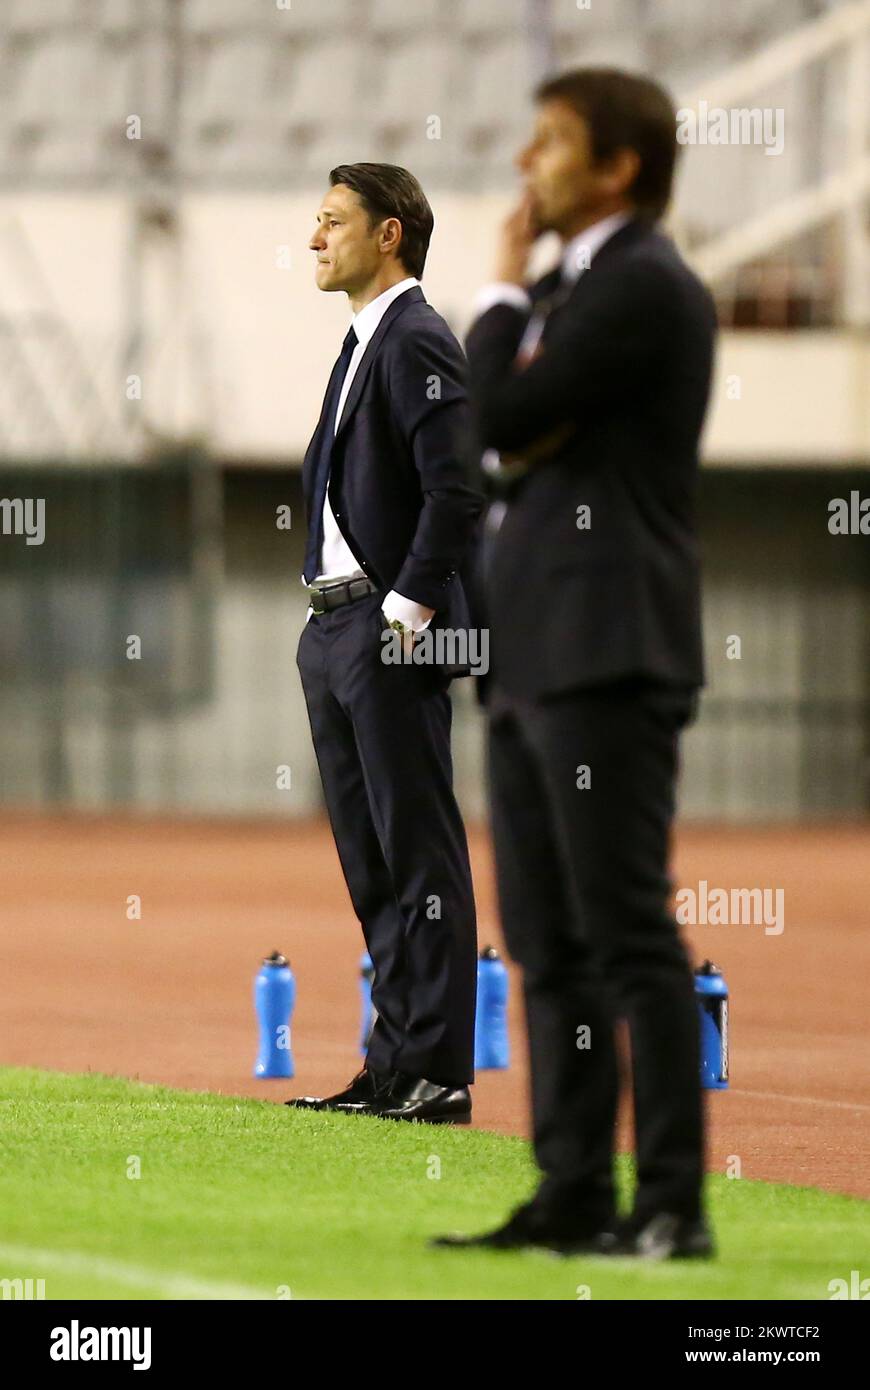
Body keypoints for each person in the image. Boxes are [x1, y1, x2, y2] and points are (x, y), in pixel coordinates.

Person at [435, 70, 717, 1254]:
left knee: (627, 932)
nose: (524, 166)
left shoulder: (643, 285)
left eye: (550, 143)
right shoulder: (578, 289)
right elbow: (499, 423)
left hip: (608, 648)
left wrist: (499, 285)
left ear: (618, 169)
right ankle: (569, 1190)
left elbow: (491, 413)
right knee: (548, 941)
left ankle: (668, 1204)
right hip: (535, 650)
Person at [286, 163, 481, 1125]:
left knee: (420, 854)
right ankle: (393, 1064)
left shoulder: (418, 337)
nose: (314, 240)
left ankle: (437, 1073)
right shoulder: (364, 341)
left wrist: (404, 613)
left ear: (389, 234)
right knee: (372, 861)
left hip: (387, 630)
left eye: (331, 222)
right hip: (335, 628)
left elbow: (458, 490)